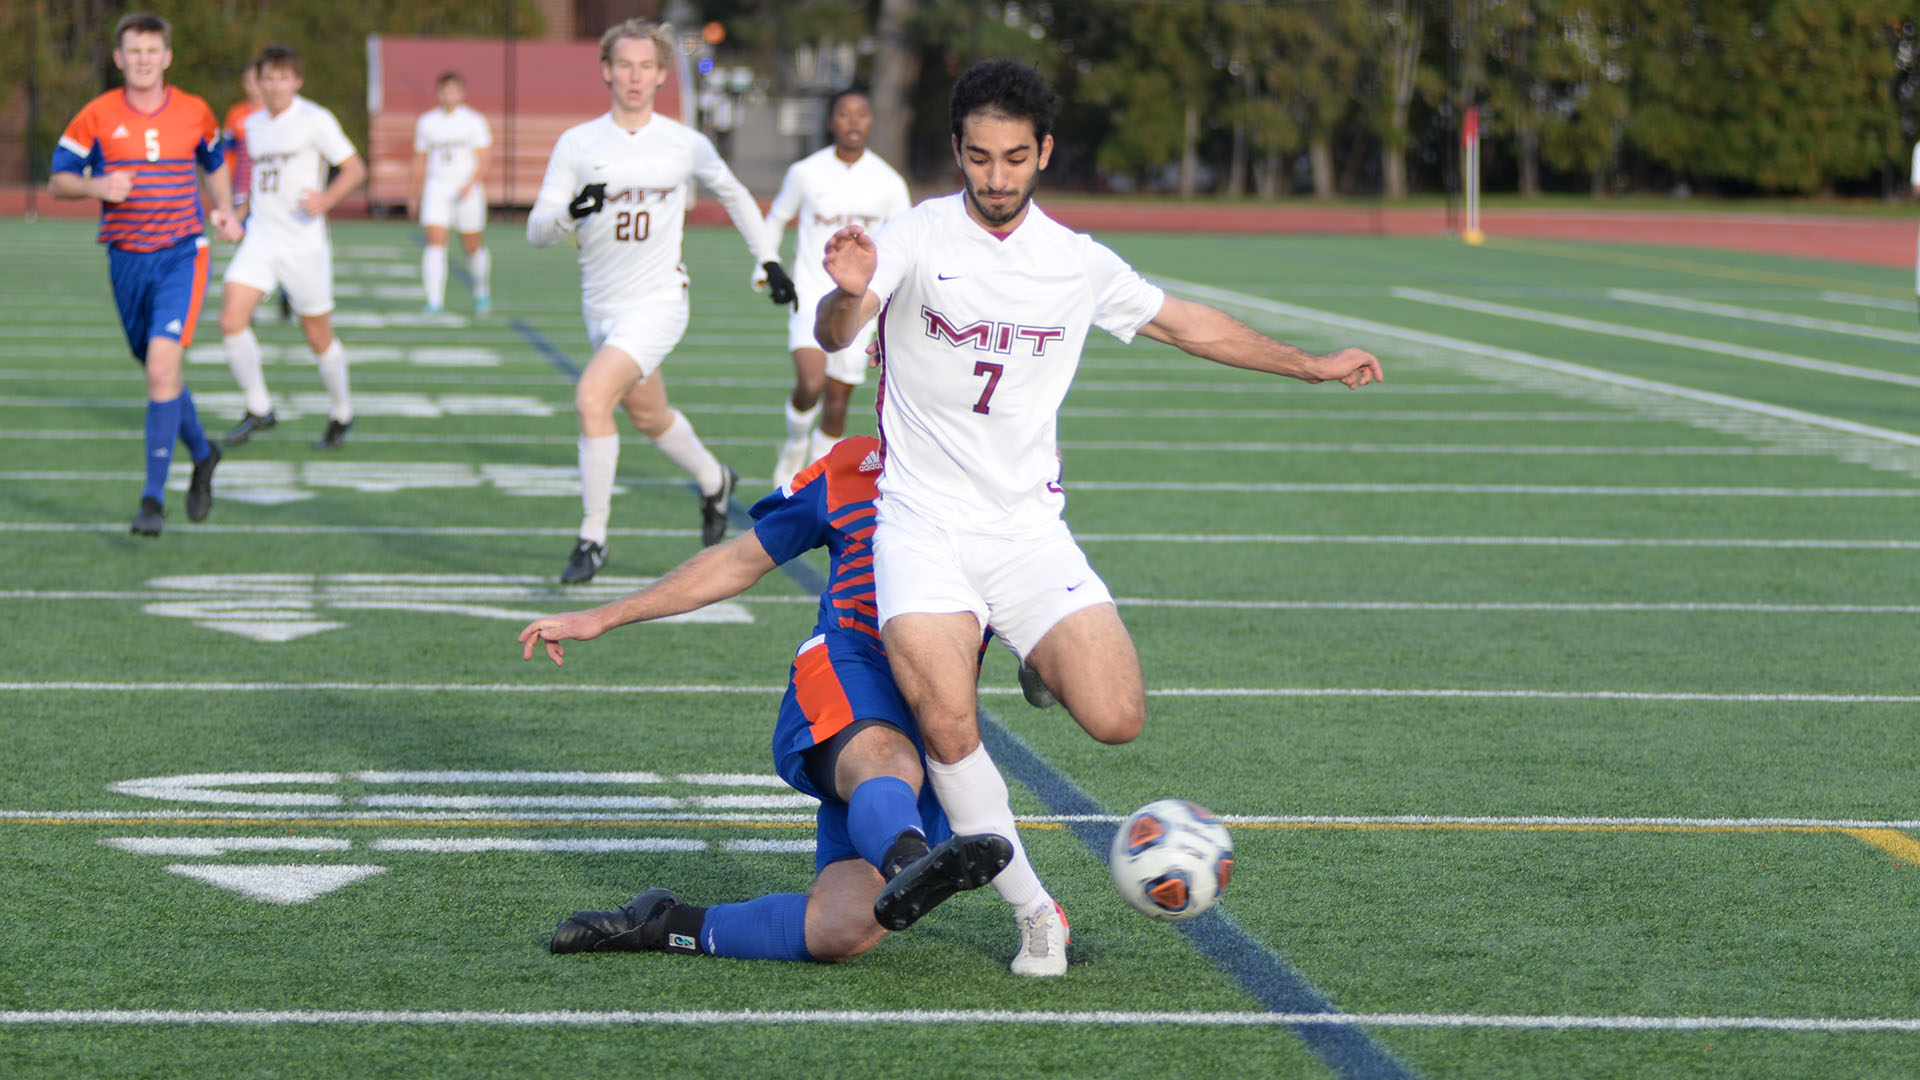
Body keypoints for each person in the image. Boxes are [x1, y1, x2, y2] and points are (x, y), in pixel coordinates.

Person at [814, 61, 1384, 874]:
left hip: (1025, 530)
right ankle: (1035, 917)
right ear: (956, 151)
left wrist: (1312, 366)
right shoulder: (914, 234)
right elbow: (841, 333)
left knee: (1118, 718)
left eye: (1014, 157)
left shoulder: (1074, 261)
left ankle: (1033, 652)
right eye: (979, 157)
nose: (996, 176)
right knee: (945, 721)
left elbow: (1191, 326)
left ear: (1043, 151)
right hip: (919, 525)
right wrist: (846, 294)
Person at [518, 436, 1070, 976]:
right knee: (888, 763)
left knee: (837, 930)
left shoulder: (1012, 481)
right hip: (850, 664)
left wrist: (1040, 649)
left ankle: (663, 923)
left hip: (936, 706)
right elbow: (737, 560)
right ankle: (913, 862)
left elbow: (1041, 623)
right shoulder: (854, 464)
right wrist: (606, 615)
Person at [527, 18, 792, 584]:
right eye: (624, 65)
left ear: (662, 75)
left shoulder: (683, 142)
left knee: (591, 396)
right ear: (605, 70)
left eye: (646, 66)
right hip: (601, 305)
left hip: (659, 301)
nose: (634, 76)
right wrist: (571, 212)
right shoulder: (578, 143)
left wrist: (767, 259)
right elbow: (535, 231)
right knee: (646, 414)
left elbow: (737, 195)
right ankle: (714, 478)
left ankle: (592, 536)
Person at [49, 11, 243, 537]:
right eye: (134, 51)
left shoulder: (194, 111)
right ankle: (204, 455)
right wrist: (97, 186)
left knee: (161, 367)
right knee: (159, 371)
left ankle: (151, 499)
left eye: (153, 51)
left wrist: (223, 208)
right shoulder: (95, 115)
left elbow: (214, 161)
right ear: (118, 58)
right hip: (126, 260)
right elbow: (58, 179)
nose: (143, 60)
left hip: (183, 253)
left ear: (167, 58)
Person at [216, 44, 365, 451]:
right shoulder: (253, 124)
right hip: (262, 238)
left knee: (317, 335)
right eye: (269, 77)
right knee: (230, 319)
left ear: (296, 81)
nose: (276, 85)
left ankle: (342, 412)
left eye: (284, 77)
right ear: (258, 82)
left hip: (304, 244)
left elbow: (354, 169)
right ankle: (259, 408)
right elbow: (256, 183)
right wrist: (236, 216)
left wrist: (325, 200)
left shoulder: (316, 119)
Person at [762, 88, 912, 487]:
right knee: (810, 384)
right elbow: (776, 219)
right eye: (844, 114)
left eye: (861, 115)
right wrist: (767, 266)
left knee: (837, 403)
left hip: (860, 306)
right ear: (832, 122)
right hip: (810, 294)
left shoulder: (889, 182)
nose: (853, 122)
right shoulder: (806, 172)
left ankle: (812, 478)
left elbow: (905, 246)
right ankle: (794, 445)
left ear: (870, 122)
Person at [411, 71, 493, 315]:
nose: (449, 95)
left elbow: (485, 158)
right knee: (435, 244)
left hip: (466, 189)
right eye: (445, 90)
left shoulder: (474, 121)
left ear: (462, 93)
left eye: (454, 90)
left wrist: (471, 183)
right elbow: (419, 159)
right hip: (437, 187)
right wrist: (413, 192)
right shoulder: (427, 122)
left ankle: (481, 291)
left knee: (472, 245)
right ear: (438, 92)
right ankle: (434, 301)